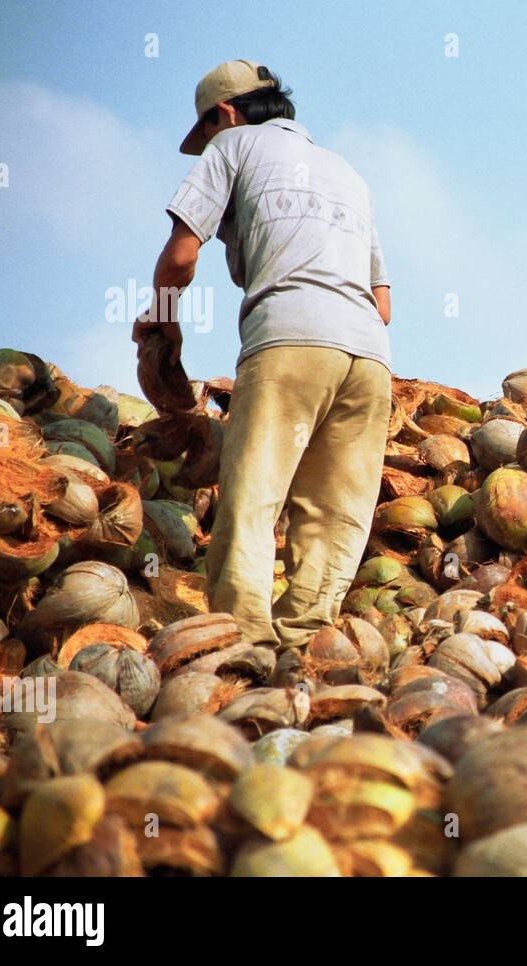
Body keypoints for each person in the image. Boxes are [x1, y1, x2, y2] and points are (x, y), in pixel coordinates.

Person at [133, 60, 393, 651]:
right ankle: (306, 644)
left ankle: (241, 644)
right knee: (334, 513)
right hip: (369, 357)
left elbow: (180, 257)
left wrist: (163, 320)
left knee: (252, 497)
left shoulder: (231, 148)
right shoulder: (347, 171)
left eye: (206, 132)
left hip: (289, 337)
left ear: (224, 114)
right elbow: (382, 302)